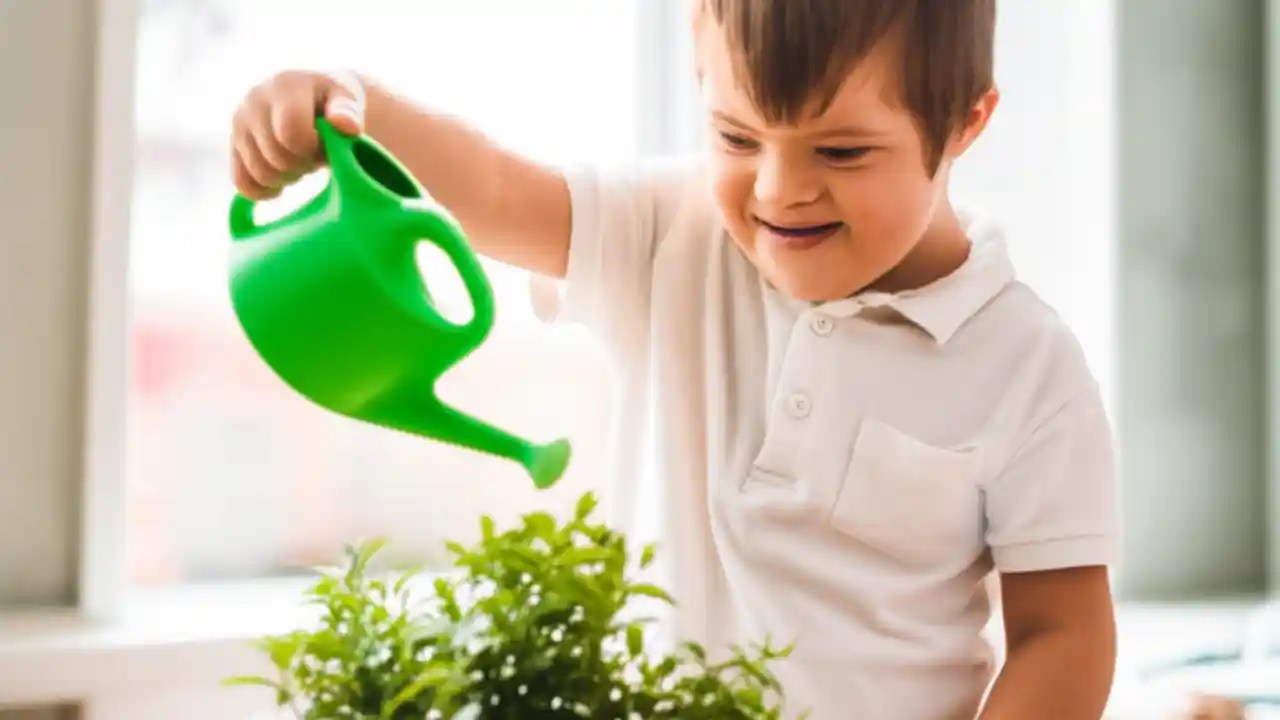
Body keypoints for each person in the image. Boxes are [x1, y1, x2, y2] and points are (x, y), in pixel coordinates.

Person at [229, 1, 1122, 717]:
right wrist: (352, 105)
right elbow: (499, 189)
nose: (778, 191)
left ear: (965, 123)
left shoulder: (1028, 367)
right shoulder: (668, 230)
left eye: (842, 151)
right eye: (736, 137)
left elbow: (1063, 634)